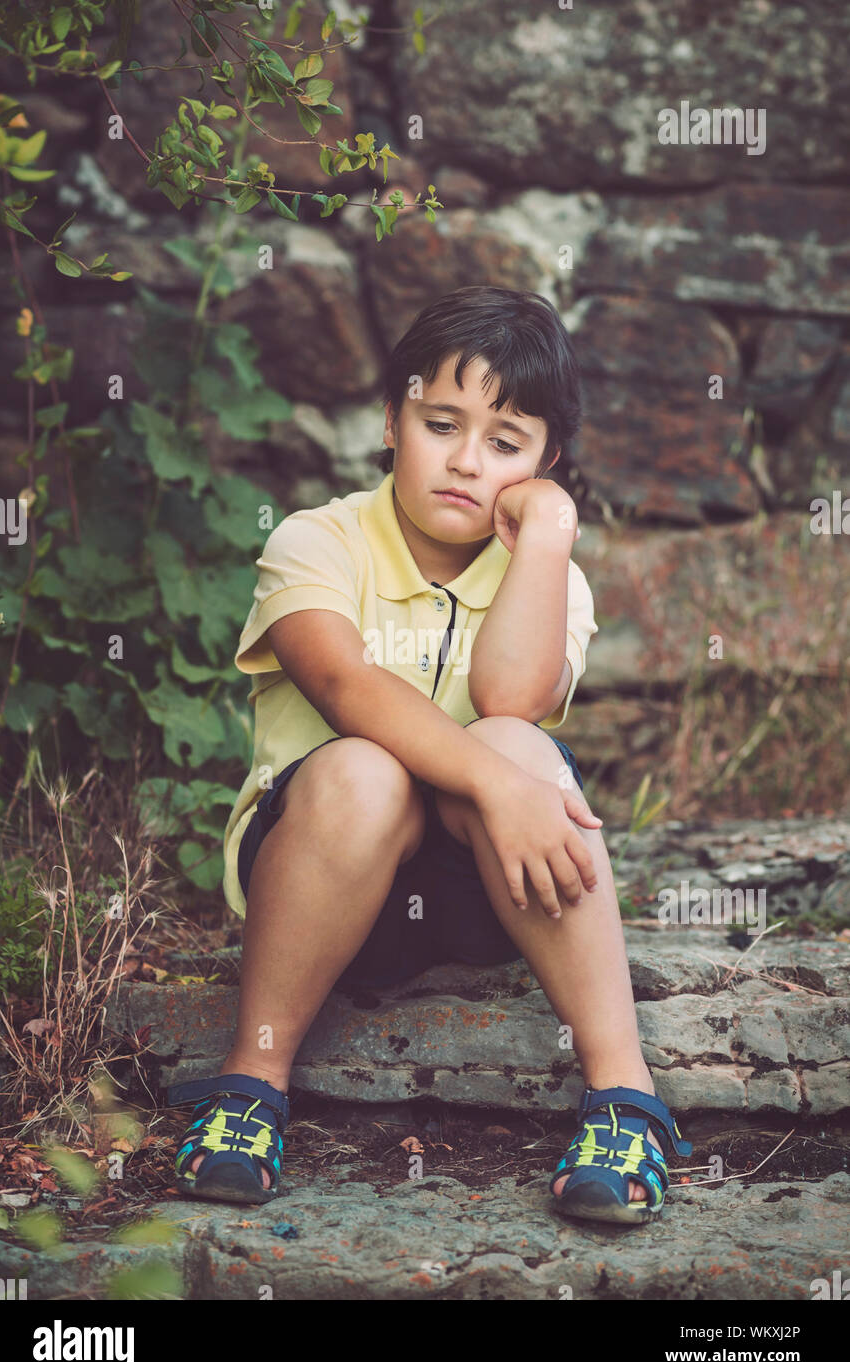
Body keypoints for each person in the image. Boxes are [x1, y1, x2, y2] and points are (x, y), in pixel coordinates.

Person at [167, 284, 692, 1225]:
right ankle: (250, 1085)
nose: (462, 461)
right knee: (369, 766)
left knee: (509, 737)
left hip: (488, 891)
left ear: (545, 461)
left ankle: (624, 1098)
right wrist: (499, 780)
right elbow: (343, 689)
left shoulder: (548, 574)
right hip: (322, 880)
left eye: (504, 442)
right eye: (439, 422)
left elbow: (510, 702)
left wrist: (549, 534)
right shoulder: (317, 540)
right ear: (389, 420)